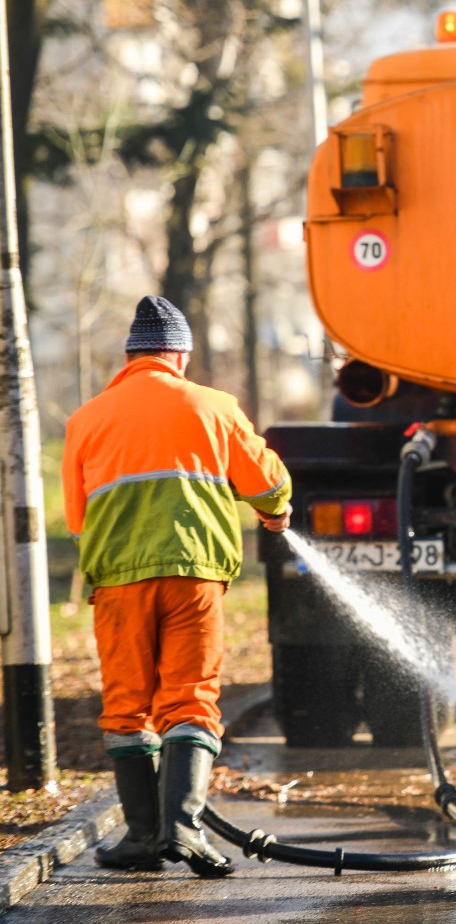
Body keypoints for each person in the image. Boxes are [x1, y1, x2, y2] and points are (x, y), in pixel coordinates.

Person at [63, 296, 292, 876]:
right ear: (180, 354)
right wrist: (276, 513)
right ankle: (185, 832)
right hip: (195, 573)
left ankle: (143, 839)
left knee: (127, 706)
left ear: (130, 357)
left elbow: (76, 517)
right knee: (191, 698)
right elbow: (266, 483)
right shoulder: (214, 406)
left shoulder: (85, 420)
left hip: (119, 581)